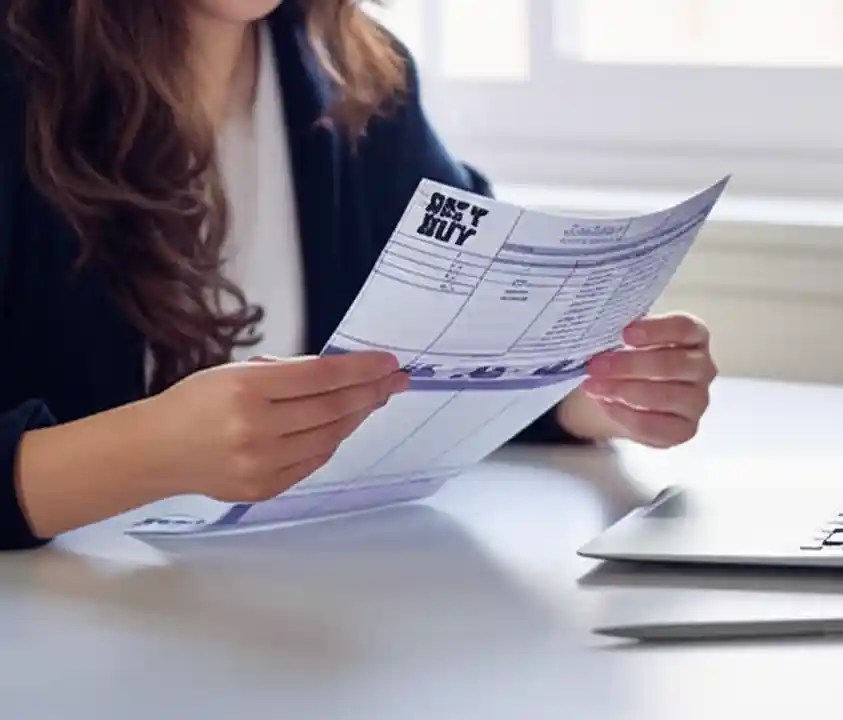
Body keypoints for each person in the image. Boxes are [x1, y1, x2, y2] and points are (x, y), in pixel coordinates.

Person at [0, 0, 718, 551]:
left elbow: (457, 342)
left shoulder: (357, 74)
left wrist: (590, 392)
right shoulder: (18, 83)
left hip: (283, 607)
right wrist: (154, 452)